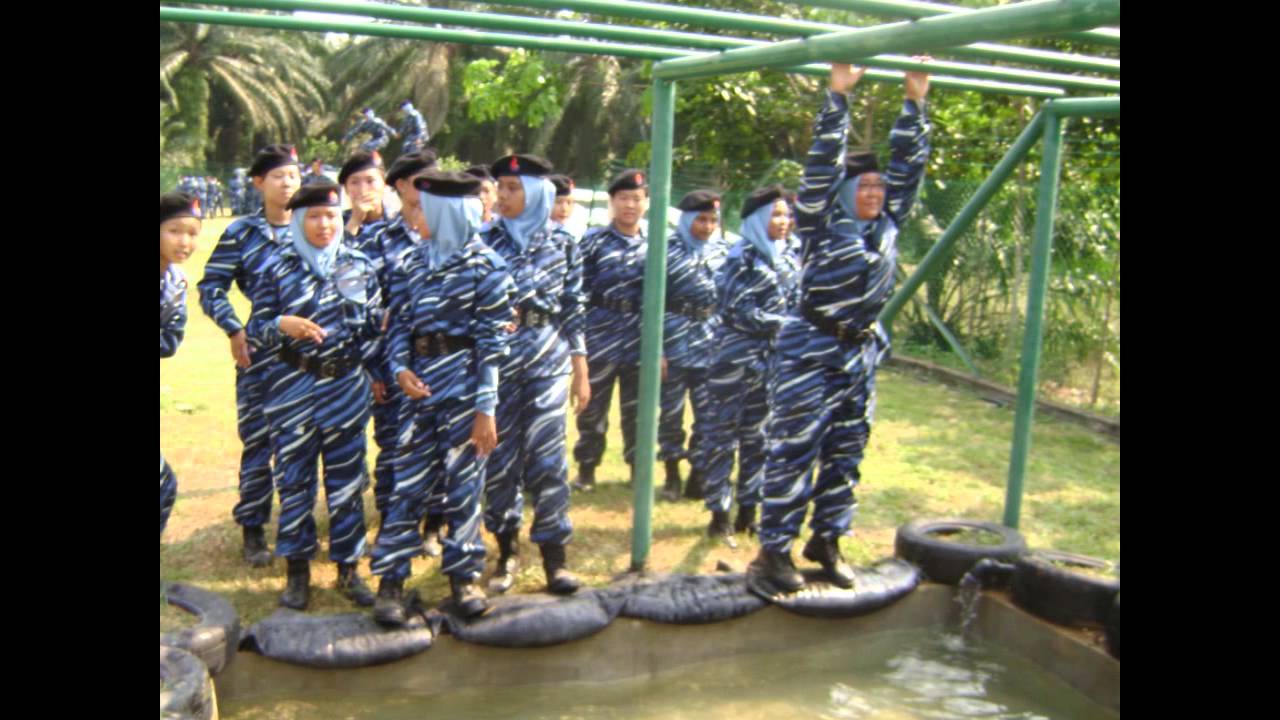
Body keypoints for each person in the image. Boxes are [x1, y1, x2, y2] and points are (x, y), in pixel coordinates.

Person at [749, 62, 932, 592]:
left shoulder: (889, 223)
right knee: (794, 449)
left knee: (848, 451)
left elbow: (910, 168)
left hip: (860, 354)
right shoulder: (821, 220)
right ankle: (772, 552)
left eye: (879, 185)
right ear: (845, 192)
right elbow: (821, 165)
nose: (874, 192)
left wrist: (914, 105)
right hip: (811, 349)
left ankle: (826, 540)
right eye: (864, 185)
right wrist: (837, 98)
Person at [370, 170, 513, 625]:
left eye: (424, 210)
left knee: (465, 490)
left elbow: (492, 347)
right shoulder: (412, 263)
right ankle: (391, 582)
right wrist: (399, 368)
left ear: (450, 214)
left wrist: (485, 411)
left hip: (466, 394)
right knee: (406, 488)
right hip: (418, 394)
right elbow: (398, 331)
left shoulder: (487, 268)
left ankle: (464, 579)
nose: (416, 219)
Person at [246, 182, 383, 610]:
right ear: (300, 221)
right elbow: (256, 330)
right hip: (294, 390)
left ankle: (348, 570)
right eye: (314, 217)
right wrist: (281, 324)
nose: (325, 225)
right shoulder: (276, 267)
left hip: (344, 389)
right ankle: (298, 574)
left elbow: (373, 330)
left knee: (346, 483)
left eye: (330, 215)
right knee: (295, 482)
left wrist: (375, 372)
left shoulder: (359, 264)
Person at [481, 154, 588, 596]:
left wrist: (581, 369)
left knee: (548, 462)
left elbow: (574, 308)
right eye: (500, 188)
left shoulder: (564, 244)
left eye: (513, 189)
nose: (502, 197)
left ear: (539, 194)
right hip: (499, 367)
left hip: (547, 364)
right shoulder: (483, 242)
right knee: (500, 463)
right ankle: (506, 552)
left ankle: (554, 558)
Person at [197, 143, 302, 568]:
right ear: (259, 183)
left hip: (309, 354)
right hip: (260, 353)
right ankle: (254, 528)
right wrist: (233, 327)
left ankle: (298, 527)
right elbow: (210, 286)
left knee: (302, 443)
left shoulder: (315, 224)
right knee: (258, 441)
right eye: (279, 176)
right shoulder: (242, 232)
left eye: (293, 175)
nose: (288, 183)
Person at [701, 186, 802, 547]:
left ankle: (749, 511)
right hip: (734, 359)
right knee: (721, 437)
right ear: (757, 219)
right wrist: (788, 324)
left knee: (759, 438)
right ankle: (719, 514)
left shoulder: (791, 254)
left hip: (773, 361)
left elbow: (797, 300)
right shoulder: (739, 257)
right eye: (776, 215)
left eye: (787, 215)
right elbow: (739, 310)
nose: (784, 222)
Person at [369, 150, 446, 554]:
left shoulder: (449, 235)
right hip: (391, 357)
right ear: (400, 185)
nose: (428, 189)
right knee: (393, 444)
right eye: (421, 181)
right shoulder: (378, 240)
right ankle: (391, 523)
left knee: (439, 442)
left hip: (441, 359)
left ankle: (434, 525)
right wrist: (373, 368)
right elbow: (365, 307)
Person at [572, 169, 649, 491]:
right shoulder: (593, 242)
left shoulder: (654, 245)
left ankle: (636, 470)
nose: (630, 205)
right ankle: (587, 469)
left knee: (637, 411)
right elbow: (577, 291)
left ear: (646, 203)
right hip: (601, 333)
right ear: (613, 202)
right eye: (623, 198)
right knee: (593, 409)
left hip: (638, 336)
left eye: (636, 199)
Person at [656, 190, 729, 504]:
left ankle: (698, 473)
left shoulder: (724, 251)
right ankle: (672, 473)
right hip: (673, 339)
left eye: (712, 220)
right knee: (671, 414)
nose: (707, 226)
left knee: (709, 413)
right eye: (701, 219)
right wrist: (656, 350)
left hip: (711, 341)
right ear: (686, 219)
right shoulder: (664, 251)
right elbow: (652, 303)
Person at [161, 192, 202, 538]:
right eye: (175, 231)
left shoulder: (173, 283)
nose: (184, 241)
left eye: (192, 233)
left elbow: (169, 344)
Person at [464, 165, 498, 230]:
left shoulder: (504, 230)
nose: (480, 196)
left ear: (496, 195)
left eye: (486, 191)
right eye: (474, 191)